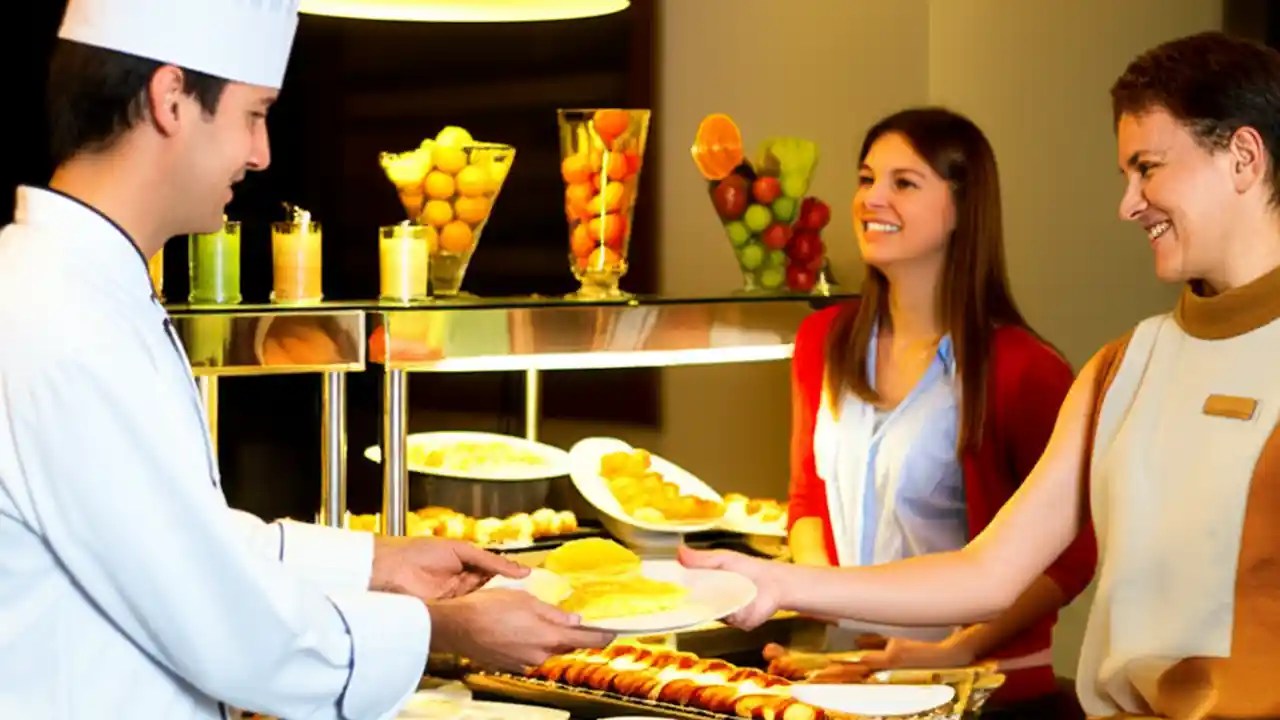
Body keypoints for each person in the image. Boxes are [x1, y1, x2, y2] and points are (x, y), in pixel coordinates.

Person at [0, 1, 611, 718]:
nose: (261, 154)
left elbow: (170, 530)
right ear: (170, 100)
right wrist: (447, 631)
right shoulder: (61, 316)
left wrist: (374, 563)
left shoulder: (75, 287)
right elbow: (217, 620)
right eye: (254, 115)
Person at [682, 31, 1280, 720]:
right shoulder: (1123, 367)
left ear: (1242, 157)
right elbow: (988, 574)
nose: (1128, 203)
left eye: (1148, 168)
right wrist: (777, 582)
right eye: (1125, 175)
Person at [772, 108, 1095, 716]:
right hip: (852, 681)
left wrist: (954, 647)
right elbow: (808, 500)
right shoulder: (822, 340)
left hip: (982, 691)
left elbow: (1074, 552)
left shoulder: (1024, 367)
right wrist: (829, 605)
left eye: (904, 183)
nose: (872, 199)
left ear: (960, 209)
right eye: (866, 179)